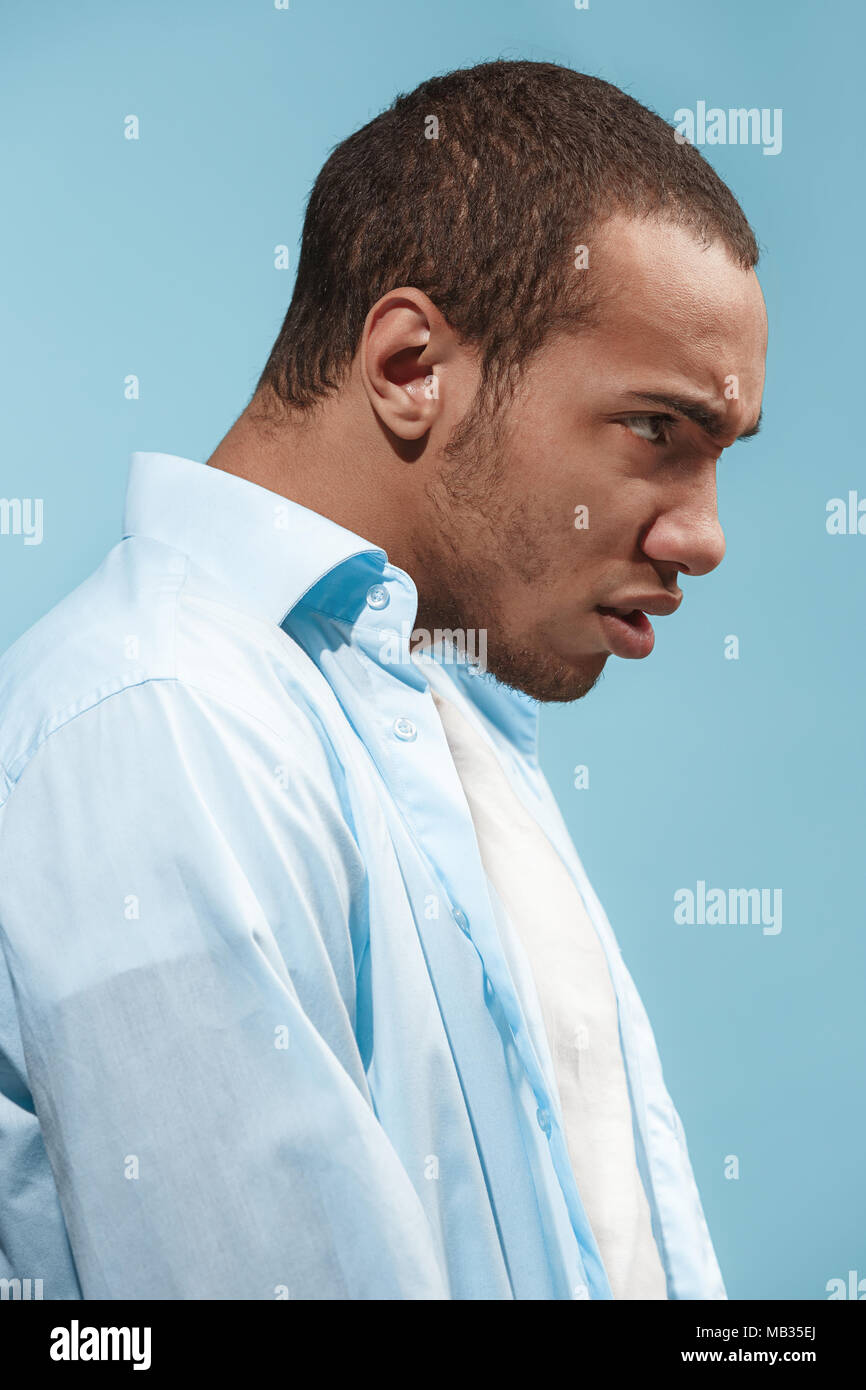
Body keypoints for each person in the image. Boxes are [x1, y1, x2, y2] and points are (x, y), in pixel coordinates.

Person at [0, 59, 766, 1300]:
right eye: (656, 432)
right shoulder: (165, 728)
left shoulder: (442, 716)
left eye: (720, 454)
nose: (704, 536)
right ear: (412, 366)